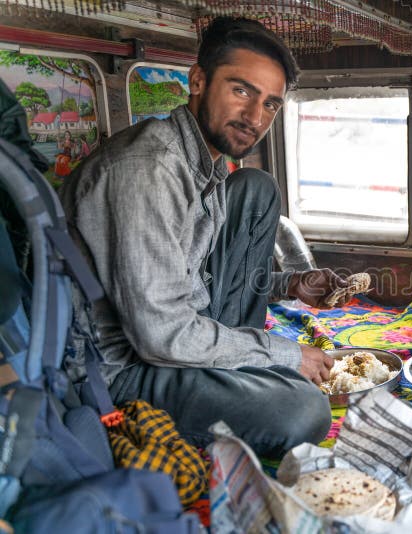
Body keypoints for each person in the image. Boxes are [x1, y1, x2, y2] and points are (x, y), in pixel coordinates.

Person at [58, 17, 350, 456]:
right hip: (124, 370)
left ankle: (239, 368)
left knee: (256, 189)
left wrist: (289, 285)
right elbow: (162, 335)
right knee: (304, 409)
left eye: (271, 104)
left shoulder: (206, 165)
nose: (255, 117)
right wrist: (285, 354)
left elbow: (194, 280)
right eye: (242, 91)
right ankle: (245, 375)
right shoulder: (148, 171)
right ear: (198, 81)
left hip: (176, 332)